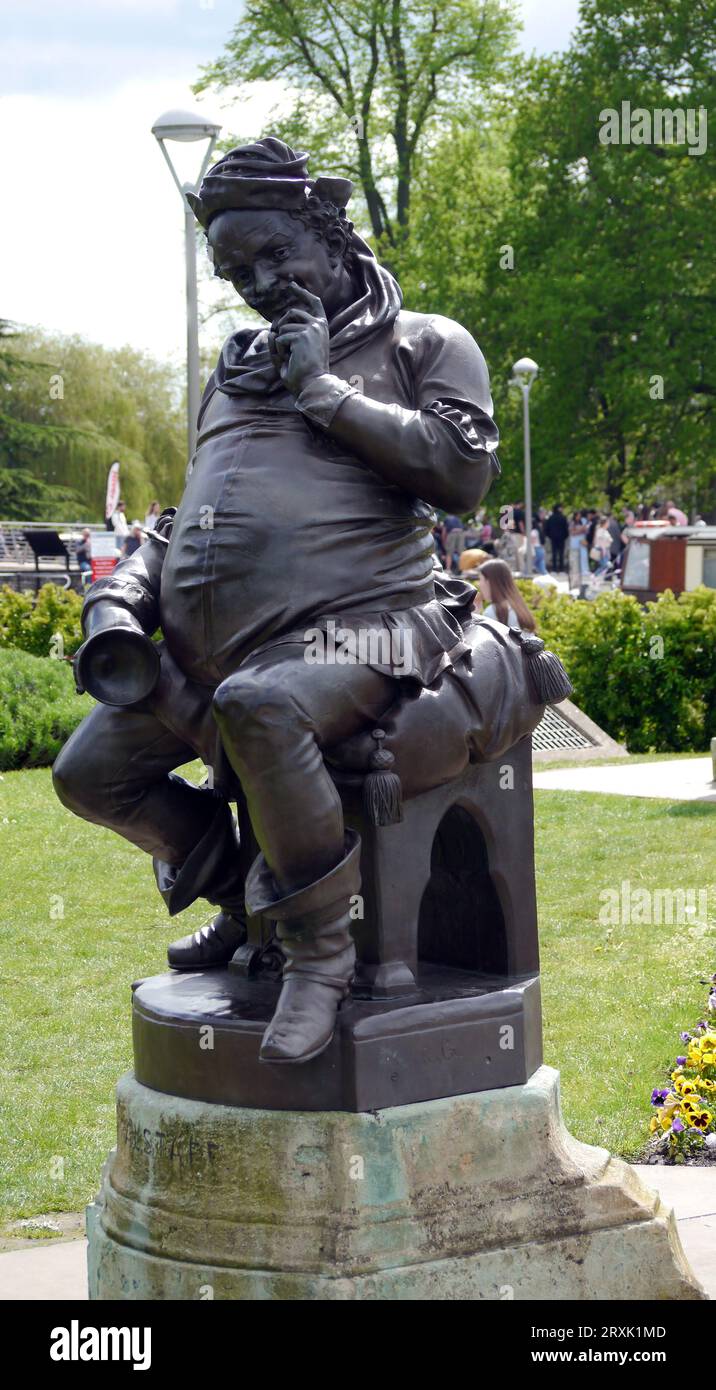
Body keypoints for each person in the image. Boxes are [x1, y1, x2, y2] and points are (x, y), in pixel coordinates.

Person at [53, 136, 500, 1067]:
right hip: (214, 643)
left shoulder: (426, 341)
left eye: (273, 255)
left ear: (330, 239)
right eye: (233, 268)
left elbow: (463, 475)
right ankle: (244, 897)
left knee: (261, 705)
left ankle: (318, 956)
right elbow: (194, 508)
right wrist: (126, 593)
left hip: (374, 626)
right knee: (89, 771)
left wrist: (323, 390)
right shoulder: (235, 363)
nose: (255, 281)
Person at [475, 558, 536, 631]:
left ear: (489, 582)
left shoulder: (492, 612)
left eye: (481, 579)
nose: (479, 584)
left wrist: (475, 617)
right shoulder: (518, 607)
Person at [544, 504, 568, 572]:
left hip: (553, 538)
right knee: (561, 553)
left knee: (554, 553)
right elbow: (566, 529)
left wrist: (550, 536)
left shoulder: (550, 518)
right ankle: (561, 568)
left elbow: (546, 529)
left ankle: (554, 568)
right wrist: (565, 536)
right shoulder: (563, 517)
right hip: (562, 538)